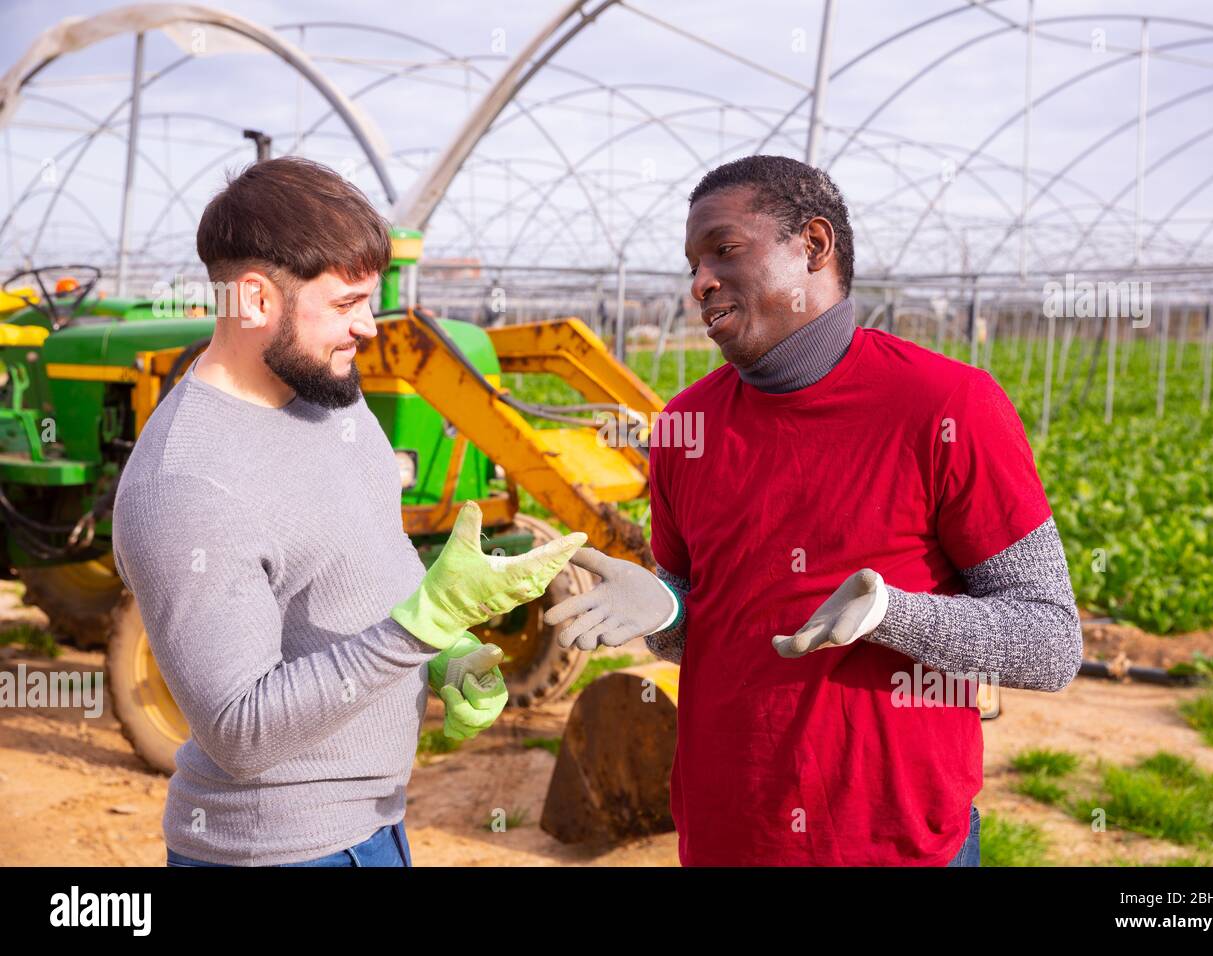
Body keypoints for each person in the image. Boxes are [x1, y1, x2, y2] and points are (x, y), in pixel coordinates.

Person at [543, 154, 1083, 866]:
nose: (699, 283)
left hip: (895, 847)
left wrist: (895, 614)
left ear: (814, 246)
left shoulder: (948, 407)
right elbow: (700, 626)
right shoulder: (685, 426)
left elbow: (1051, 642)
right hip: (727, 837)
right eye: (692, 265)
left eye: (724, 251)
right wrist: (669, 612)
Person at [112, 156, 583, 867]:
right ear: (254, 300)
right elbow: (240, 732)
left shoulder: (330, 392)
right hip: (274, 852)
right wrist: (419, 628)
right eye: (346, 303)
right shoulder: (185, 483)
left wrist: (444, 657)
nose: (368, 327)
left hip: (378, 830)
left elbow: (359, 563)